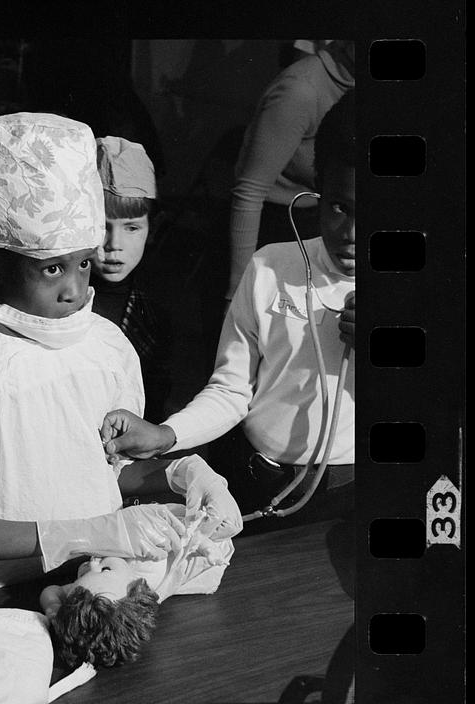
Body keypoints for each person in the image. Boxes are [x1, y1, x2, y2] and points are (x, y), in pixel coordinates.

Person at [0, 112, 241, 611]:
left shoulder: (107, 345)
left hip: (85, 582)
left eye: (82, 263)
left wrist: (183, 473)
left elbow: (101, 472)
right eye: (51, 268)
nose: (75, 288)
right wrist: (91, 532)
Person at [100, 91, 356, 528]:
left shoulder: (421, 293)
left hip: (349, 498)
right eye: (339, 207)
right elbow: (232, 390)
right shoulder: (273, 266)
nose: (351, 231)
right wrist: (166, 435)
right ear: (317, 191)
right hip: (257, 478)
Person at [0, 135, 172, 422]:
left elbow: (148, 412)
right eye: (102, 227)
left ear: (154, 227)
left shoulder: (149, 319)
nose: (115, 244)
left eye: (132, 228)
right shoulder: (27, 296)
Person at [227, 40, 354, 303]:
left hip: (318, 223)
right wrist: (238, 293)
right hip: (272, 225)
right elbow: (249, 193)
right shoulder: (301, 89)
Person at [40, 506, 235, 668]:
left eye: (81, 576)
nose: (90, 565)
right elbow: (188, 539)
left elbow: (52, 590)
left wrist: (53, 607)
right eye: (105, 569)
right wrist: (208, 548)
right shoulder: (148, 565)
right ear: (135, 584)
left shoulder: (87, 596)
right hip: (198, 551)